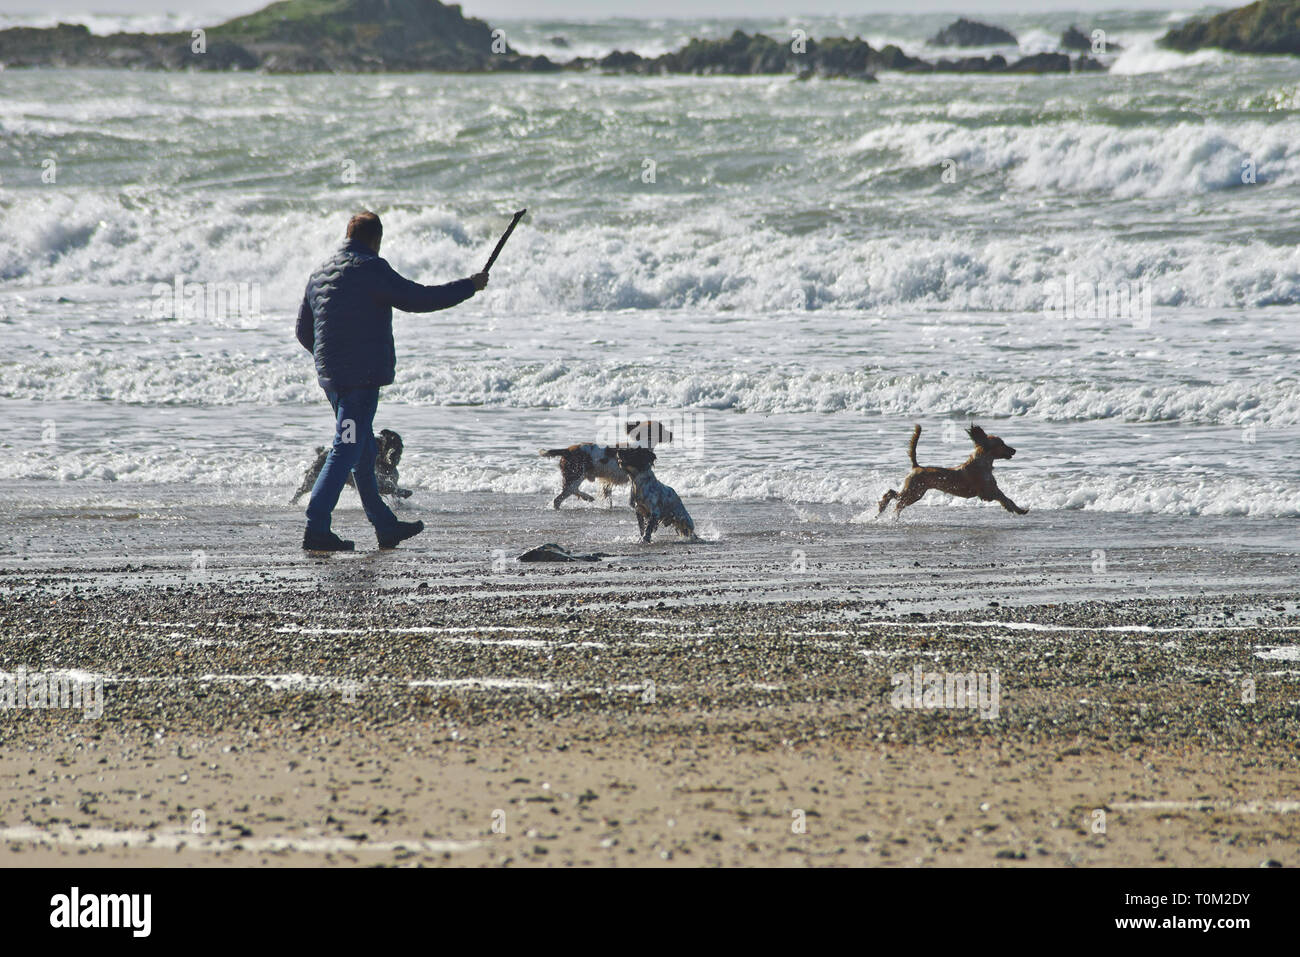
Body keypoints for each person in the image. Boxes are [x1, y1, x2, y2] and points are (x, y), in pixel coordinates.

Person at [295, 210, 488, 550]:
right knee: (346, 448)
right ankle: (316, 527)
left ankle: (385, 526)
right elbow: (419, 298)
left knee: (363, 449)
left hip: (333, 380)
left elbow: (302, 332)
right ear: (375, 240)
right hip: (359, 380)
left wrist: (330, 361)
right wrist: (469, 286)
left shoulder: (319, 273)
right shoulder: (370, 268)